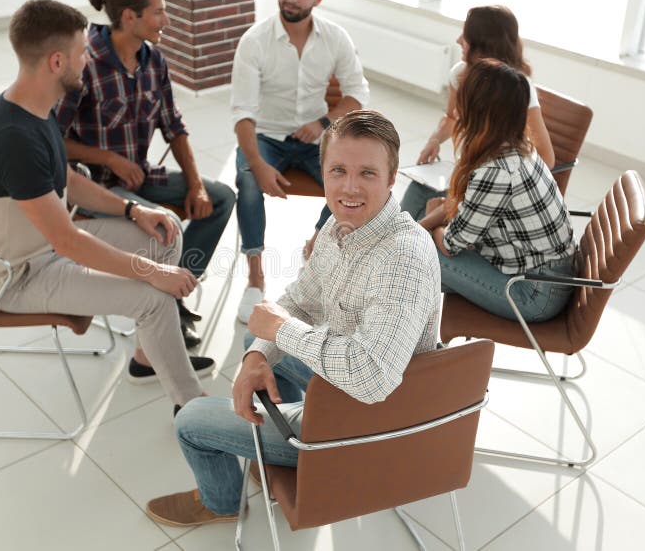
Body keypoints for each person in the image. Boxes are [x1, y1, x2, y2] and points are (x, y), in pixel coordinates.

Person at [144, 110, 441, 527]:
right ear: (321, 171)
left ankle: (223, 501)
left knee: (191, 419)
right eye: (338, 170)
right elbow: (299, 301)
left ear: (392, 179)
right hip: (342, 388)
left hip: (368, 425)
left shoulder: (402, 257)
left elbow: (371, 377)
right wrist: (257, 357)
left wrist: (281, 331)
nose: (349, 187)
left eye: (367, 174)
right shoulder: (341, 229)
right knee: (257, 345)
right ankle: (277, 441)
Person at [0, 0, 214, 415]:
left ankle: (146, 359)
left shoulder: (35, 108)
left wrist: (135, 212)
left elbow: (68, 182)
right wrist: (156, 275)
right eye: (83, 52)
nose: (88, 59)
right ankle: (196, 414)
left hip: (43, 252)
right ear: (57, 61)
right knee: (152, 298)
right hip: (18, 276)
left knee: (165, 229)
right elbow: (67, 240)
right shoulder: (13, 137)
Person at [54, 0, 236, 348]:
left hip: (139, 178)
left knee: (221, 197)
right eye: (159, 12)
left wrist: (197, 185)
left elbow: (175, 127)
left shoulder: (154, 61)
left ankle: (171, 297)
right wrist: (107, 158)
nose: (166, 21)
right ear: (129, 17)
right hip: (95, 188)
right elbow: (52, 139)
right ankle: (169, 308)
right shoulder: (84, 62)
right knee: (168, 226)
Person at [231, 0, 370, 323]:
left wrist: (324, 122)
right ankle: (255, 279)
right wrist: (258, 165)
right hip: (266, 134)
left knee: (352, 182)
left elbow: (358, 94)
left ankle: (316, 253)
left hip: (315, 136)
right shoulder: (255, 41)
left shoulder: (335, 38)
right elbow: (242, 113)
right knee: (246, 180)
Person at [414, 59, 576, 323]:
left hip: (534, 293)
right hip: (545, 275)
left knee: (415, 255)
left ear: (478, 110)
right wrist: (423, 224)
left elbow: (449, 245)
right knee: (416, 242)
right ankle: (416, 337)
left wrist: (427, 229)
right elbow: (463, 207)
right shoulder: (518, 146)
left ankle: (402, 340)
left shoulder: (496, 171)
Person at [401, 4, 553, 221]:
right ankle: (394, 240)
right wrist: (435, 140)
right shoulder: (460, 74)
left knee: (431, 224)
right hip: (469, 173)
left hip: (493, 184)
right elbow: (453, 117)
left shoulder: (517, 90)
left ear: (484, 46)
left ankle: (409, 241)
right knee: (419, 189)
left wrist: (497, 186)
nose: (458, 40)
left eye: (466, 35)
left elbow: (546, 157)